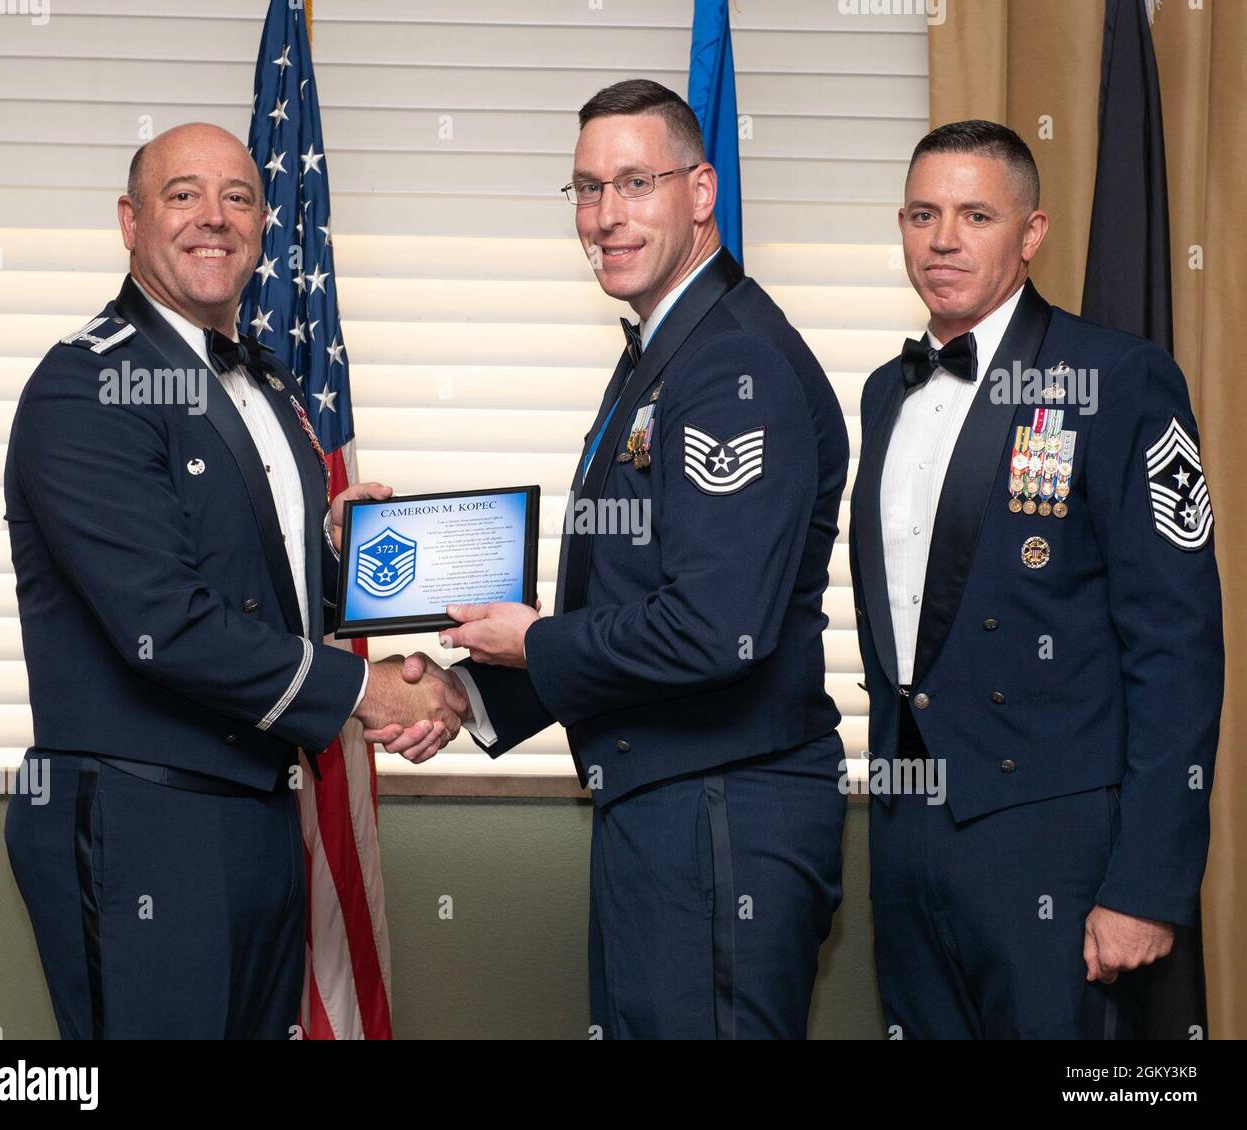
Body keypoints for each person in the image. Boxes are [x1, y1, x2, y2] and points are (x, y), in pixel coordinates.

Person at [397, 80, 850, 1039]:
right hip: (669, 804)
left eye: (634, 184)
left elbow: (712, 630)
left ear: (700, 190)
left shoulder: (734, 366)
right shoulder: (666, 350)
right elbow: (628, 593)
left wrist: (536, 646)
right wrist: (469, 694)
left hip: (721, 813)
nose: (606, 217)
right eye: (586, 190)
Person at [2, 123, 465, 1039]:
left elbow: (255, 590)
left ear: (263, 224)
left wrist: (344, 554)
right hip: (142, 817)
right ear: (131, 221)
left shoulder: (270, 384)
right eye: (183, 195)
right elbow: (164, 622)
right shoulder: (85, 386)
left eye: (239, 198)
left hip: (255, 807)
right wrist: (365, 692)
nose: (214, 219)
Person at [850, 120, 1224, 1039]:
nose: (943, 239)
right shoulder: (882, 392)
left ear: (1031, 233)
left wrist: (1147, 885)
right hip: (907, 836)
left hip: (1058, 845)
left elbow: (1177, 648)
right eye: (923, 213)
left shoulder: (1121, 378)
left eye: (977, 214)